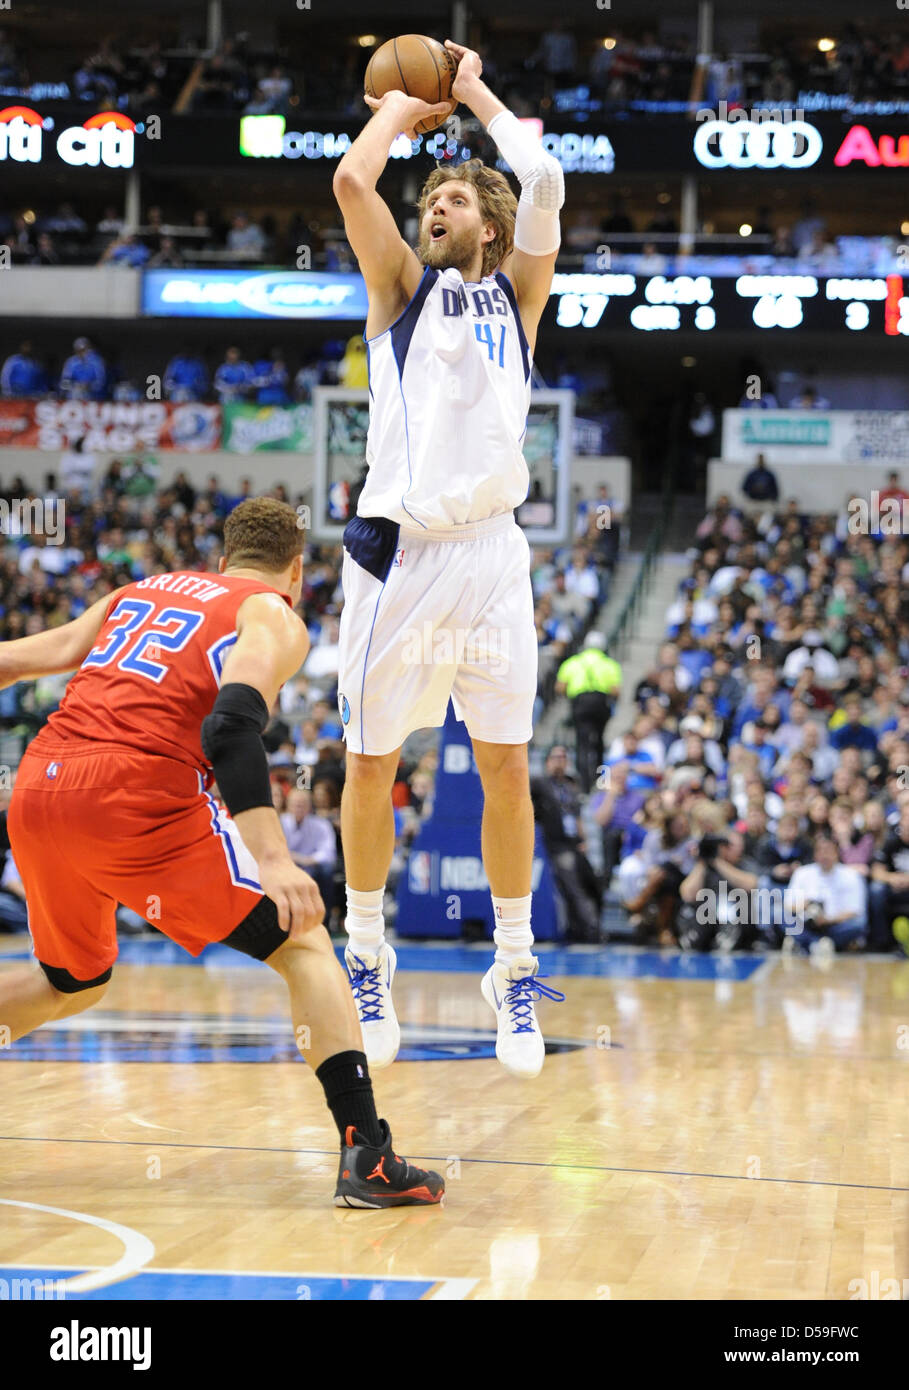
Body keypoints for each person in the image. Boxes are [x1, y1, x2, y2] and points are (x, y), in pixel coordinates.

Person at [0, 497, 442, 1209]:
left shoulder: (136, 593)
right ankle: (368, 1157)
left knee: (70, 980)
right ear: (295, 569)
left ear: (222, 557)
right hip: (134, 792)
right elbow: (232, 727)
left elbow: (21, 660)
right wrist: (271, 857)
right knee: (303, 941)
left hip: (40, 783)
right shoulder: (271, 615)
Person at [332, 38, 566, 1077]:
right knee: (373, 763)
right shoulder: (399, 288)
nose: (436, 209)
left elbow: (547, 177)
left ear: (493, 222)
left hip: (493, 559)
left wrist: (467, 89)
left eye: (456, 203)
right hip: (402, 556)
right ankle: (368, 952)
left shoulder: (519, 297)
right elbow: (350, 178)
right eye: (429, 202)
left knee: (508, 763)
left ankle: (513, 969)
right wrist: (398, 112)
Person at [554, 631, 622, 793]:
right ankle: (601, 782)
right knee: (599, 743)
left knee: (582, 744)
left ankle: (584, 786)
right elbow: (615, 690)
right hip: (600, 703)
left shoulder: (572, 663)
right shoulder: (610, 664)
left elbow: (560, 687)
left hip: (580, 703)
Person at [785, 831, 866, 956]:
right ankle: (818, 944)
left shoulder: (851, 875)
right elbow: (788, 905)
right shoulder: (802, 873)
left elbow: (855, 910)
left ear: (837, 853)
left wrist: (828, 920)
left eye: (828, 851)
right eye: (820, 851)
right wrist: (805, 906)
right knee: (780, 916)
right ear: (815, 854)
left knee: (858, 924)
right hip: (806, 923)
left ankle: (807, 944)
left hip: (836, 924)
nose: (824, 855)